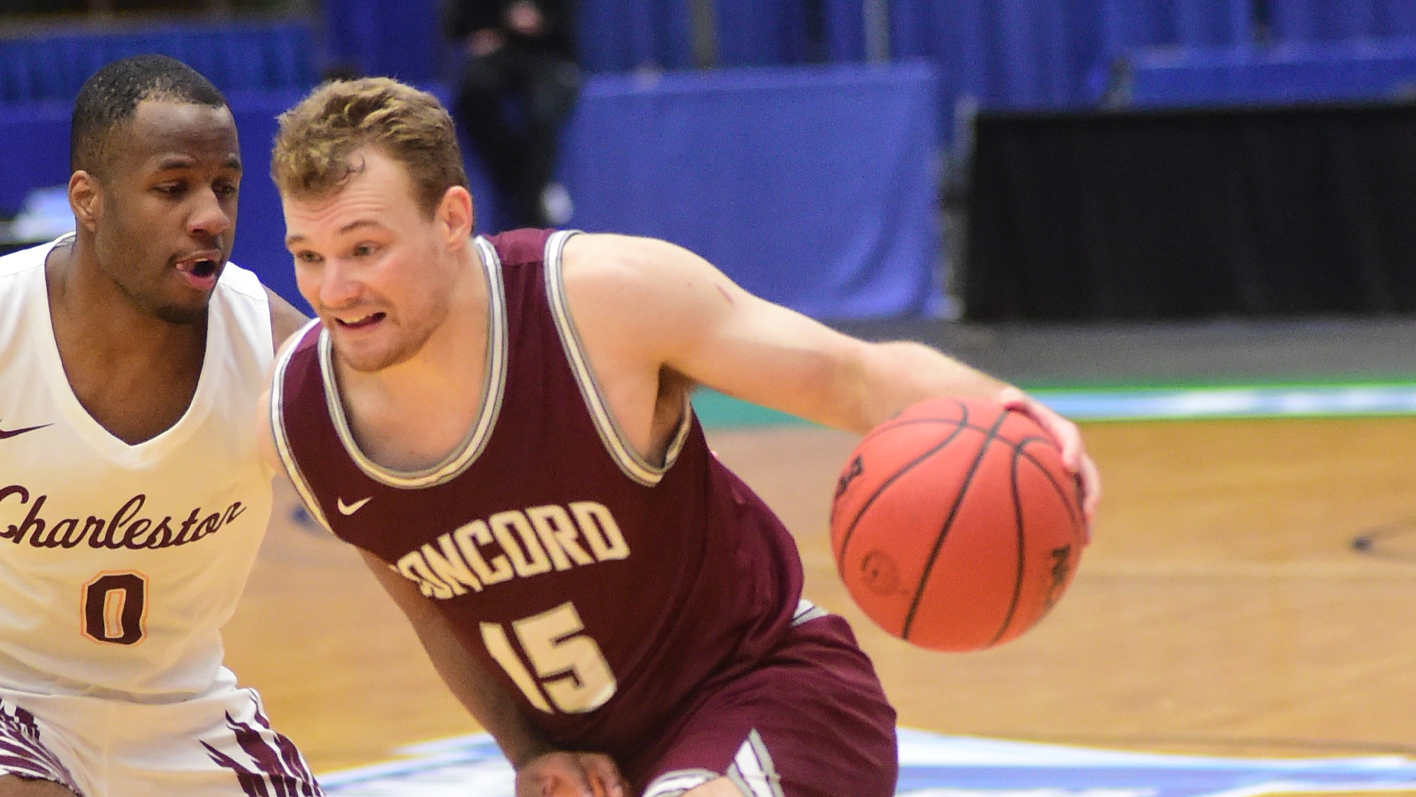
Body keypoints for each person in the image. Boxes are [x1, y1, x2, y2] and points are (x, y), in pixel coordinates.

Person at [260, 77, 1100, 797]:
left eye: (364, 248)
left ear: (451, 219)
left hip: (769, 689)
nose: (335, 289)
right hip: (616, 761)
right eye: (308, 254)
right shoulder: (307, 415)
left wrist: (1012, 412)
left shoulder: (601, 303)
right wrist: (530, 748)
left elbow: (850, 377)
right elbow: (428, 604)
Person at [0, 55, 322, 796]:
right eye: (172, 188)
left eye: (226, 188)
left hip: (187, 713)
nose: (210, 215)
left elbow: (419, 541)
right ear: (89, 199)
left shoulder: (275, 348)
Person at [449, 0, 580, 229]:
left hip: (547, 53)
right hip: (497, 51)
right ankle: (532, 189)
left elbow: (566, 17)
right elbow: (460, 22)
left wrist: (540, 19)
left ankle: (532, 213)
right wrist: (487, 28)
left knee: (544, 112)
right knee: (475, 90)